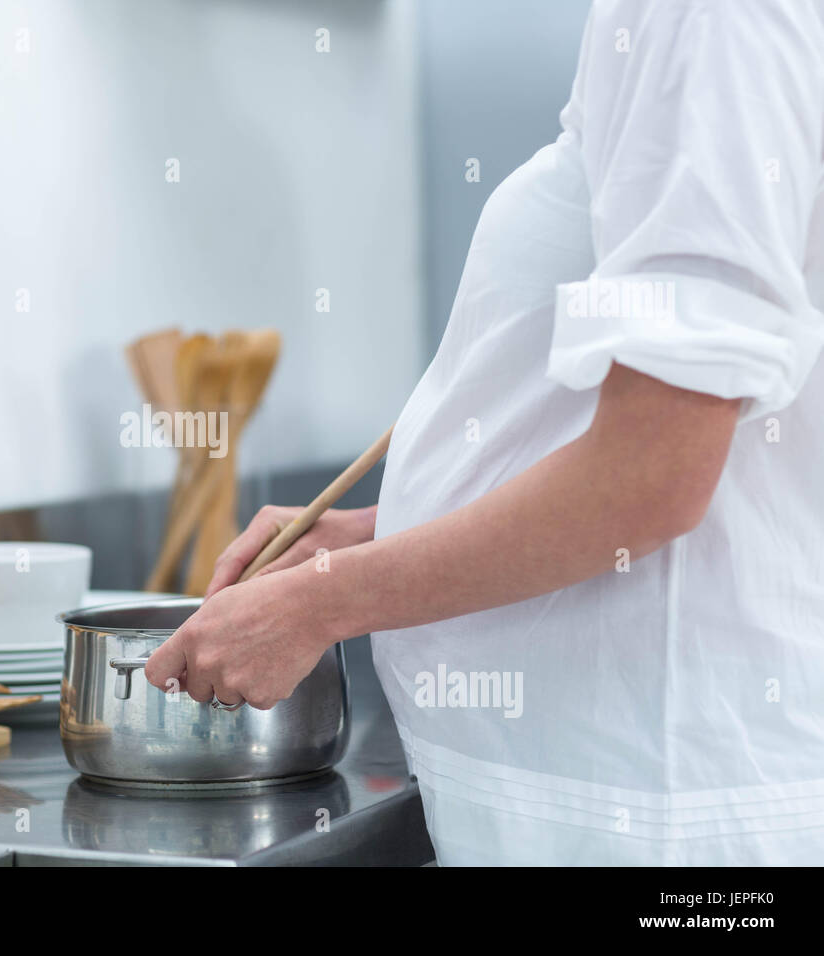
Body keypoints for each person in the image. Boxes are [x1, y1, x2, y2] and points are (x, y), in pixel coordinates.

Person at [144, 0, 824, 865]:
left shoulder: (703, 15)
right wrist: (367, 535)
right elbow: (704, 466)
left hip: (658, 824)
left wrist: (320, 601)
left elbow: (650, 479)